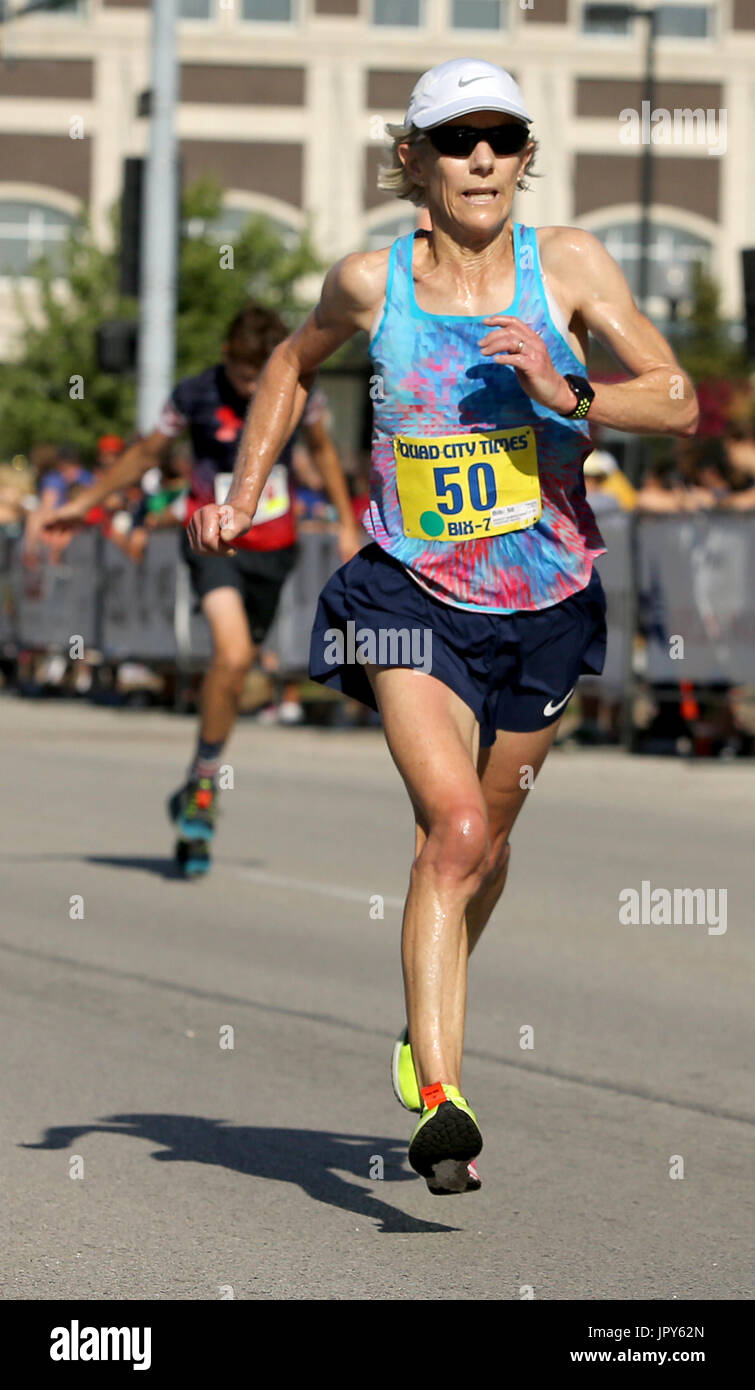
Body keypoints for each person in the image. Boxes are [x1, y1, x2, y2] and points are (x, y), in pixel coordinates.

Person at [186, 59, 698, 1193]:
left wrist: (572, 393)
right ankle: (442, 1093)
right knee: (454, 829)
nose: (481, 158)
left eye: (501, 139)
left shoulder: (562, 263)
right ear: (408, 158)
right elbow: (286, 359)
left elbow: (674, 396)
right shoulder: (372, 281)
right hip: (406, 593)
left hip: (550, 601)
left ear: (522, 157)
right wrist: (241, 485)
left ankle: (426, 1016)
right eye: (455, 138)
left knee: (491, 840)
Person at [45, 301, 362, 875]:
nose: (250, 388)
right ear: (225, 360)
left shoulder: (298, 388)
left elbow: (321, 452)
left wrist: (344, 521)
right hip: (213, 543)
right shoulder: (193, 394)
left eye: (259, 376)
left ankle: (200, 771)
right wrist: (85, 502)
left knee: (243, 673)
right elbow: (146, 452)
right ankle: (204, 789)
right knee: (233, 653)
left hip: (275, 546)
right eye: (243, 377)